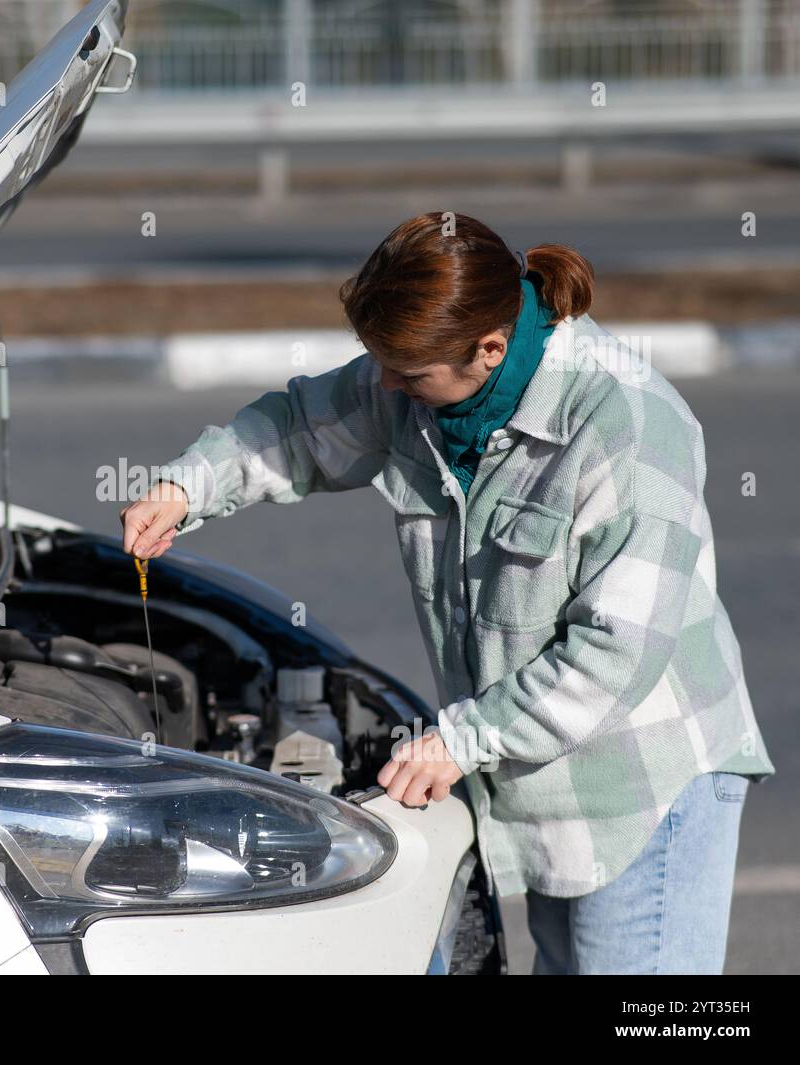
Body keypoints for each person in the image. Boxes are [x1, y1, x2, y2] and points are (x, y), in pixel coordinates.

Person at [118, 212, 774, 974]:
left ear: (490, 348)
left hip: (640, 787)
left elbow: (615, 653)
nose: (387, 385)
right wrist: (184, 486)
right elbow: (301, 427)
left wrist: (461, 741)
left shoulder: (629, 429)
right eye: (382, 362)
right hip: (532, 768)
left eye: (407, 372)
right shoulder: (423, 377)